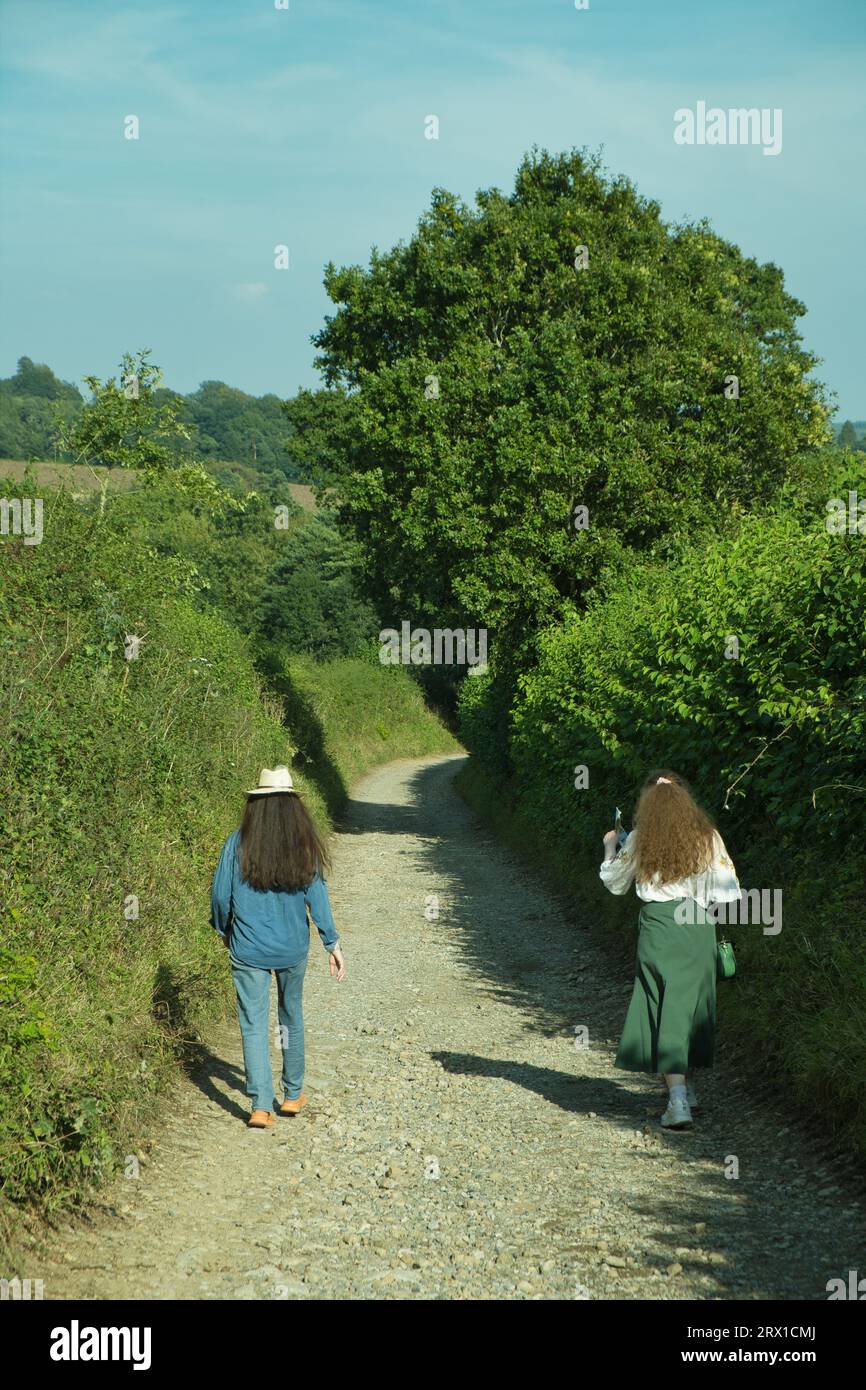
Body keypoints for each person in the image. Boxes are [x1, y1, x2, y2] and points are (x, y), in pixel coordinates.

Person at [599, 769, 740, 1130]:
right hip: (696, 928)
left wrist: (610, 846)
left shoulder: (641, 839)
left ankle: (677, 1101)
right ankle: (686, 1089)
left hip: (658, 929)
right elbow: (727, 893)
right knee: (688, 1008)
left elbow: (615, 883)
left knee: (663, 1008)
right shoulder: (708, 837)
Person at [210, 765, 346, 1129]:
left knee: (254, 1024)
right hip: (291, 949)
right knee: (290, 1016)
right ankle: (291, 1095)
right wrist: (331, 942)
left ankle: (259, 1106)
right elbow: (317, 896)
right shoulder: (303, 846)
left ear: (255, 805)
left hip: (248, 950)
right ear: (292, 807)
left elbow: (221, 897)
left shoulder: (236, 843)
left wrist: (225, 931)